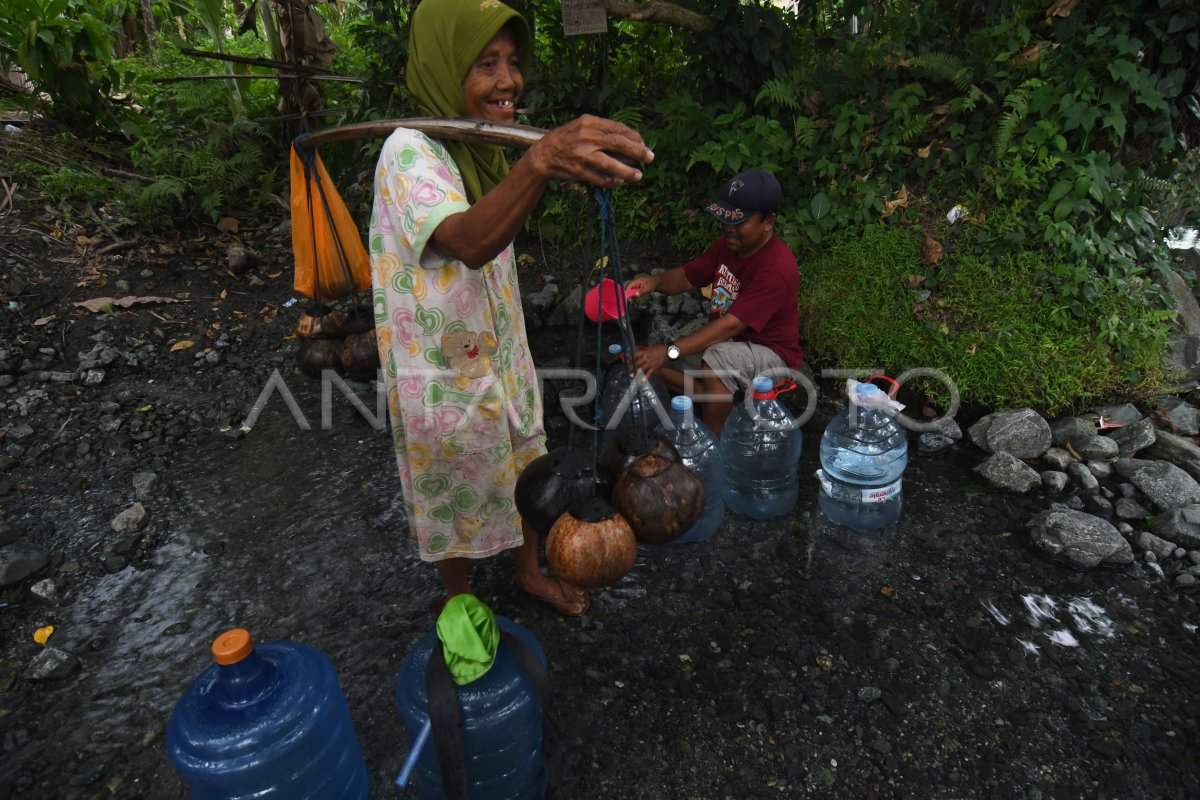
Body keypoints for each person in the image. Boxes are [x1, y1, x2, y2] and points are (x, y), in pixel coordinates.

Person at [369, 0, 653, 617]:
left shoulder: (476, 146)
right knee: (450, 478)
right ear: (445, 67)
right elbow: (467, 240)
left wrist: (539, 163)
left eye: (513, 63)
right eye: (485, 64)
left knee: (528, 457)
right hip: (441, 367)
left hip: (499, 346)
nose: (507, 82)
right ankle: (460, 599)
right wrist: (542, 160)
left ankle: (528, 570)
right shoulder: (409, 151)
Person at [629, 169, 805, 435]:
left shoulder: (776, 268)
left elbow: (728, 326)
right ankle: (711, 398)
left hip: (772, 354)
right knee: (654, 358)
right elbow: (687, 276)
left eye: (740, 222)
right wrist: (653, 283)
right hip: (731, 345)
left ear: (768, 222)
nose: (729, 228)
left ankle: (715, 448)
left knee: (714, 358)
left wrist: (668, 352)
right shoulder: (727, 247)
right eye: (725, 219)